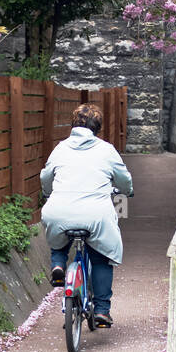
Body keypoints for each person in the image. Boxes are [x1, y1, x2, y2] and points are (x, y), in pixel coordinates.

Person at [39, 103, 133, 328]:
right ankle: (101, 311)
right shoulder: (107, 150)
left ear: (73, 125)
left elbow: (46, 178)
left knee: (59, 242)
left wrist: (49, 193)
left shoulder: (60, 149)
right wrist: (126, 191)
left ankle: (58, 265)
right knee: (101, 258)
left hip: (59, 210)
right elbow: (123, 179)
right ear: (97, 127)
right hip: (96, 215)